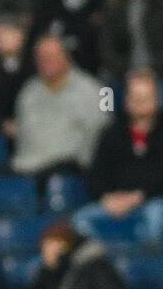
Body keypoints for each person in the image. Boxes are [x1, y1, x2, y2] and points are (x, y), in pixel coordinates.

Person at [77, 68, 163, 239]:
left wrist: (138, 196)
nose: (139, 103)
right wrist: (107, 197)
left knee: (155, 216)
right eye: (135, 97)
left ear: (157, 100)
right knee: (80, 220)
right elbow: (97, 172)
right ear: (126, 100)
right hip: (116, 200)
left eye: (145, 98)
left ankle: (147, 263)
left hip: (156, 199)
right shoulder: (112, 132)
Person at [10, 34, 108, 181]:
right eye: (41, 57)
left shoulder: (96, 91)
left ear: (67, 57)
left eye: (51, 56)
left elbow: (101, 135)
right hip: (24, 167)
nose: (46, 62)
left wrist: (83, 167)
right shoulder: (28, 91)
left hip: (67, 171)